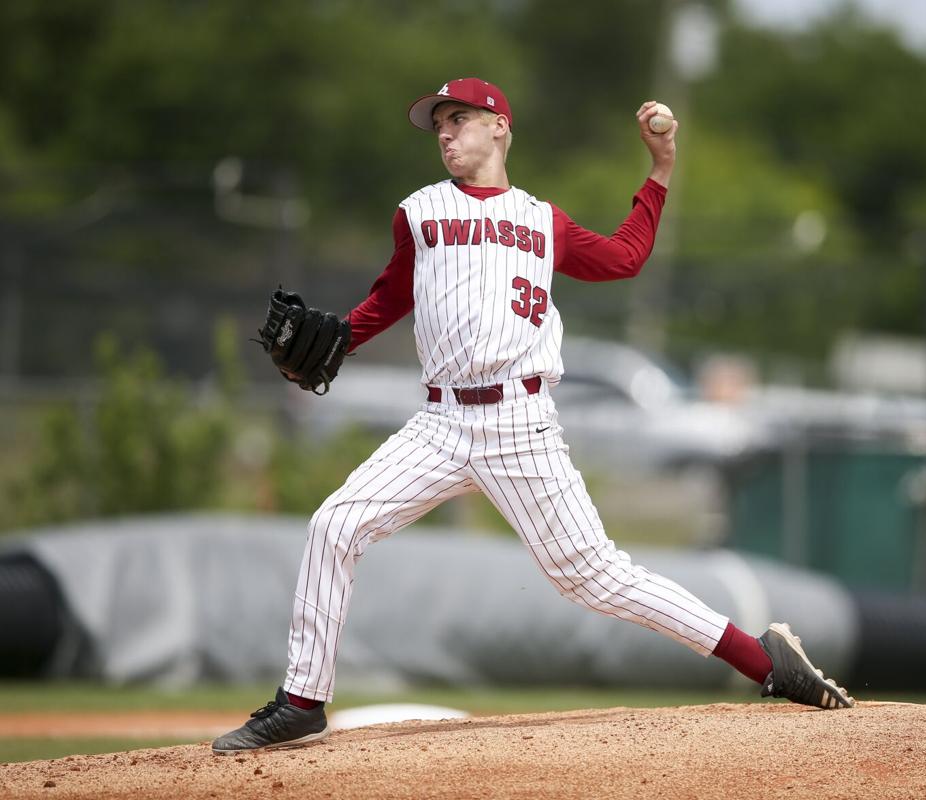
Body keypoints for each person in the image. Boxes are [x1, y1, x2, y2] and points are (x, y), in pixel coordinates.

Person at [212, 78, 853, 754]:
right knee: (335, 525)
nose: (447, 133)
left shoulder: (543, 221)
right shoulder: (419, 213)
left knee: (596, 578)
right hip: (439, 425)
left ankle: (763, 658)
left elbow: (624, 258)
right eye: (439, 125)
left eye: (460, 119)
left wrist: (660, 171)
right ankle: (302, 700)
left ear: (500, 128)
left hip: (520, 425)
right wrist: (334, 339)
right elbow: (389, 298)